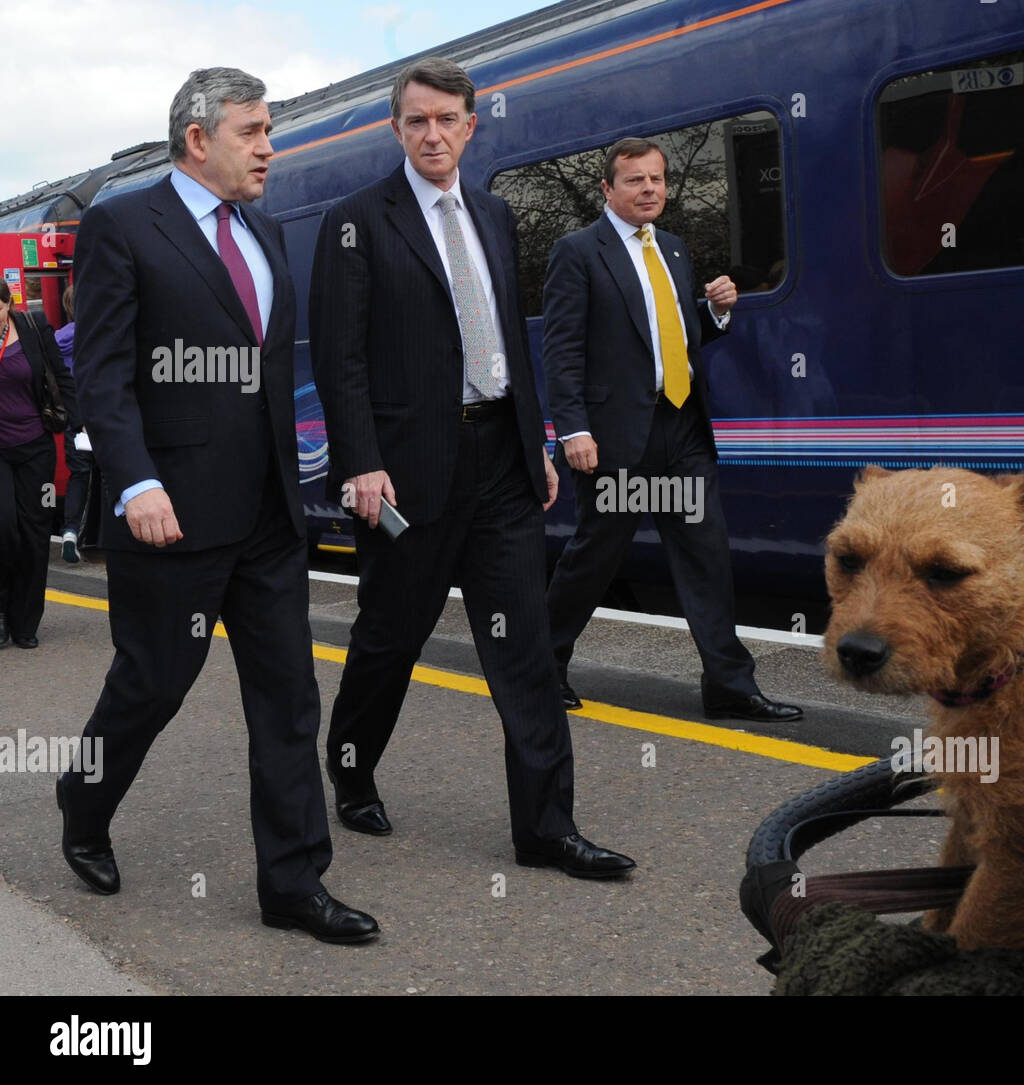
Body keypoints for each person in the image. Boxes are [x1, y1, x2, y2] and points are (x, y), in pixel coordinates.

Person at [57, 67, 378, 943]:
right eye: (254, 132)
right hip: (172, 514)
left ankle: (294, 884)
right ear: (199, 139)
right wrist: (134, 479)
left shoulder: (268, 234)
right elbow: (104, 370)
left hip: (270, 516)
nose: (270, 147)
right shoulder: (124, 224)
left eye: (268, 130)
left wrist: (333, 469)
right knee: (152, 684)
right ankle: (83, 797)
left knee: (288, 700)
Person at [309, 58, 633, 878]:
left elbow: (508, 343)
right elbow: (340, 360)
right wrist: (361, 465)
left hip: (501, 461)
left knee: (523, 645)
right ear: (396, 128)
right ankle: (350, 765)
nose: (432, 134)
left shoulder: (492, 214)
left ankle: (547, 828)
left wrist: (538, 442)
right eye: (416, 120)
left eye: (446, 119)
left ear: (470, 125)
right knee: (391, 634)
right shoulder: (356, 222)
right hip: (410, 469)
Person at [543, 137, 803, 724]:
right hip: (615, 437)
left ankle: (730, 686)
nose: (650, 189)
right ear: (608, 189)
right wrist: (573, 430)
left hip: (680, 429)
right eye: (635, 180)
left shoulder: (676, 251)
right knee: (597, 556)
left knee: (706, 556)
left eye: (657, 179)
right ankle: (542, 663)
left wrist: (714, 313)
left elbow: (675, 339)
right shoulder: (579, 252)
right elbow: (561, 351)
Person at [0, 280, 79, 649]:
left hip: (36, 449)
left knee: (34, 534)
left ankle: (25, 621)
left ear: (9, 304)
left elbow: (61, 377)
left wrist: (80, 423)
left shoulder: (34, 327)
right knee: (5, 530)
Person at [53, 282, 92, 562]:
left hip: (73, 425)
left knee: (79, 475)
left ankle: (70, 533)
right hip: (102, 420)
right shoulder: (97, 337)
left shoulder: (57, 340)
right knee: (111, 479)